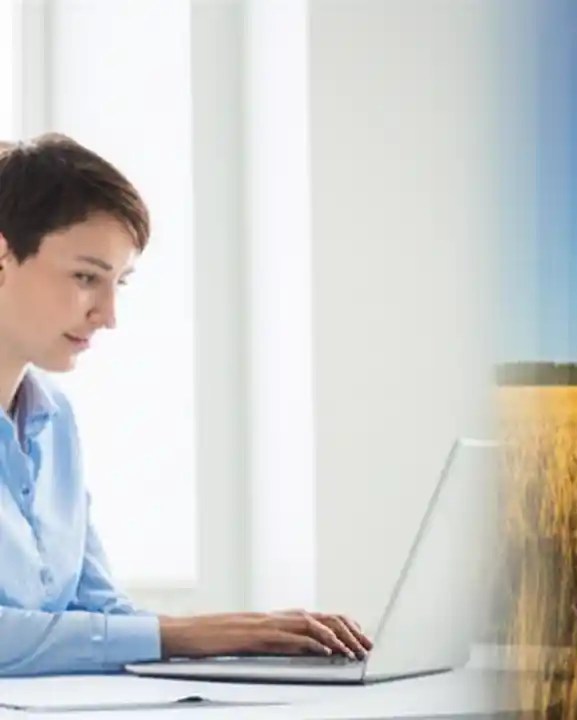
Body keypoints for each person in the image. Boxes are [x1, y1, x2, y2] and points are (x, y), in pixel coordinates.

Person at [0, 133, 372, 677]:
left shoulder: (55, 421)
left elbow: (97, 608)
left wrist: (243, 638)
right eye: (86, 278)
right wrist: (186, 635)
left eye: (119, 283)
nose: (108, 315)